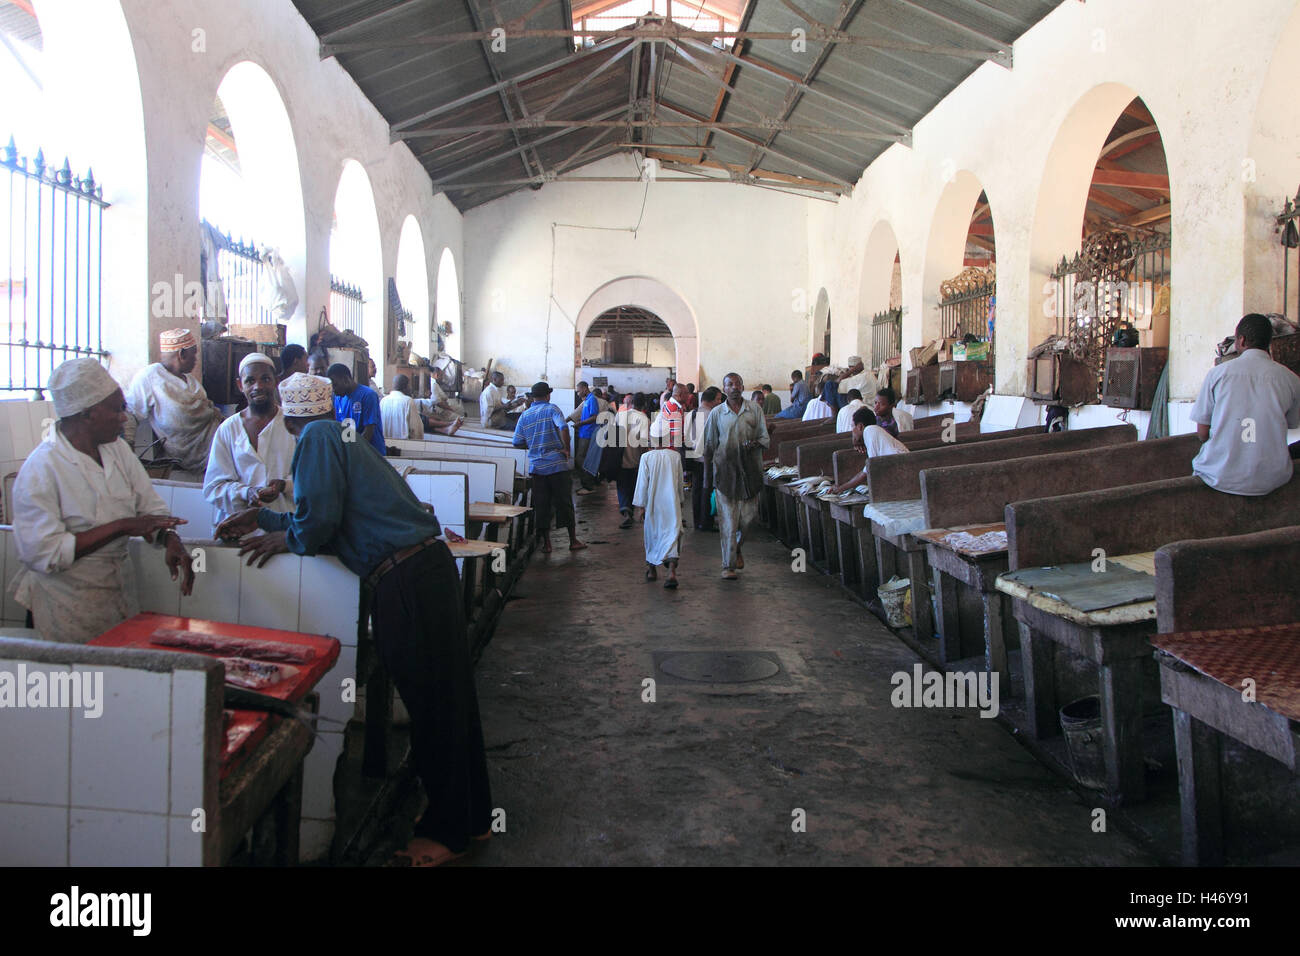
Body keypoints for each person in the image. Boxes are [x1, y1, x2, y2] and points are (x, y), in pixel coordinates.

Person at [215, 372, 490, 868]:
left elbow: (317, 523)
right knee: (450, 698)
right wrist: (264, 520)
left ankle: (447, 833)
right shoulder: (341, 433)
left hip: (404, 580)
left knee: (430, 705)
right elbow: (328, 514)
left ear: (288, 410)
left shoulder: (316, 437)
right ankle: (471, 818)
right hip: (425, 570)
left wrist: (287, 536)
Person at [13, 358, 194, 643]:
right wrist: (122, 526)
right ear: (87, 414)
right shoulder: (42, 469)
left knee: (115, 677)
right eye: (117, 410)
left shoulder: (117, 450)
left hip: (116, 593)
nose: (124, 417)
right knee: (78, 684)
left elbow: (149, 505)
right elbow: (43, 553)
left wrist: (169, 536)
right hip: (65, 603)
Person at [1191, 313, 1300, 495]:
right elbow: (1291, 423)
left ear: (1241, 340)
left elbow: (1202, 433)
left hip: (1219, 476)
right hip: (1273, 478)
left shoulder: (1218, 374)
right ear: (1269, 343)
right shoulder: (1291, 379)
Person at [203, 353, 297, 530]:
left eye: (265, 379)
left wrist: (285, 486)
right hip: (238, 530)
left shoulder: (293, 424)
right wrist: (247, 493)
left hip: (283, 531)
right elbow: (213, 488)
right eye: (250, 381)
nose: (258, 387)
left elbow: (309, 480)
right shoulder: (228, 429)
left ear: (276, 381)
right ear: (240, 385)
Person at [123, 328, 224, 474]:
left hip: (218, 441)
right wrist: (127, 451)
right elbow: (130, 413)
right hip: (196, 456)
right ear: (181, 354)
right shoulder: (150, 377)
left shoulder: (191, 381)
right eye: (193, 354)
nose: (196, 359)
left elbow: (210, 412)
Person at [702, 372, 770, 580]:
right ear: (724, 389)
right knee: (728, 523)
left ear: (743, 386)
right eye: (729, 384)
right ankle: (728, 565)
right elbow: (709, 445)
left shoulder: (754, 410)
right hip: (725, 472)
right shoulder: (717, 414)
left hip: (750, 472)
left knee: (749, 519)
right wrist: (707, 477)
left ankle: (738, 547)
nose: (734, 387)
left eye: (737, 383)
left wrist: (755, 444)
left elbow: (764, 437)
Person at [513, 382, 587, 553]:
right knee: (565, 503)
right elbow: (563, 427)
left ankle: (547, 544)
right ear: (547, 395)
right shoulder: (552, 409)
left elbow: (516, 442)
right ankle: (573, 540)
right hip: (556, 466)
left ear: (533, 397)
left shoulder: (524, 416)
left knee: (542, 505)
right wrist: (566, 449)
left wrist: (533, 445)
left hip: (537, 468)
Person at [634, 415, 683, 588]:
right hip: (672, 504)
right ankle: (671, 572)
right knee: (672, 535)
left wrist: (640, 507)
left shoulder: (646, 458)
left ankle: (652, 569)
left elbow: (642, 484)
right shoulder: (675, 456)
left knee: (652, 534)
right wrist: (681, 501)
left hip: (653, 504)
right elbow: (679, 483)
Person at [827, 409, 908, 494]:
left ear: (860, 426)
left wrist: (840, 488)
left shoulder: (869, 431)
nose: (852, 431)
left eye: (852, 426)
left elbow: (868, 470)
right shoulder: (873, 431)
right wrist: (859, 442)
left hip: (902, 473)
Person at [683, 385, 722, 531]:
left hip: (693, 457)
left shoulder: (692, 413)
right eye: (718, 399)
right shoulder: (710, 415)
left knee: (697, 490)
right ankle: (706, 523)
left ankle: (698, 520)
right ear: (711, 401)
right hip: (706, 459)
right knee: (707, 489)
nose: (719, 402)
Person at [328, 363, 386, 455]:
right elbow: (345, 430)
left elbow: (368, 431)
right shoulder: (338, 398)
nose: (333, 390)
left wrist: (353, 452)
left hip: (371, 453)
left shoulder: (368, 395)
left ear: (346, 379)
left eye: (335, 385)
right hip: (352, 453)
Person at [383, 373, 463, 440]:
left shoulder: (383, 401)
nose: (410, 388)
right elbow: (417, 428)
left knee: (423, 419)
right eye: (409, 386)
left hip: (387, 441)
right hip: (405, 442)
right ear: (406, 387)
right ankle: (447, 426)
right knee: (422, 421)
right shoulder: (407, 401)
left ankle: (446, 428)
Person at [615, 393, 651, 528]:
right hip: (636, 459)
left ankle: (626, 510)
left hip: (620, 458)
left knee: (623, 485)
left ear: (632, 403)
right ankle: (634, 509)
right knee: (635, 485)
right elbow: (643, 442)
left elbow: (613, 438)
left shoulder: (620, 415)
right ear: (644, 405)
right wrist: (644, 458)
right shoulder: (644, 419)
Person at [568, 380, 601, 494]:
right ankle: (587, 483)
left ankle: (588, 485)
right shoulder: (587, 400)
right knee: (581, 459)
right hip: (584, 433)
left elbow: (594, 417)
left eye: (578, 391)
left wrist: (580, 424)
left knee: (581, 459)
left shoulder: (592, 400)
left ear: (584, 388)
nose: (578, 394)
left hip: (588, 434)